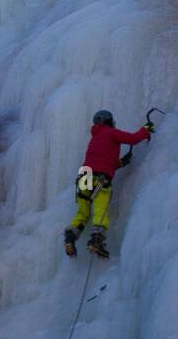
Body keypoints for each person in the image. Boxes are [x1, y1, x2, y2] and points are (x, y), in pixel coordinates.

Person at [64, 109, 153, 259]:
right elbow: (133, 139)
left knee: (82, 214)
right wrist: (146, 129)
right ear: (108, 121)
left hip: (83, 180)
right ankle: (96, 241)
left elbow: (103, 162)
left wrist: (121, 162)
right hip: (100, 181)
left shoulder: (95, 138)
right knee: (101, 211)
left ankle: (70, 237)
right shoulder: (111, 133)